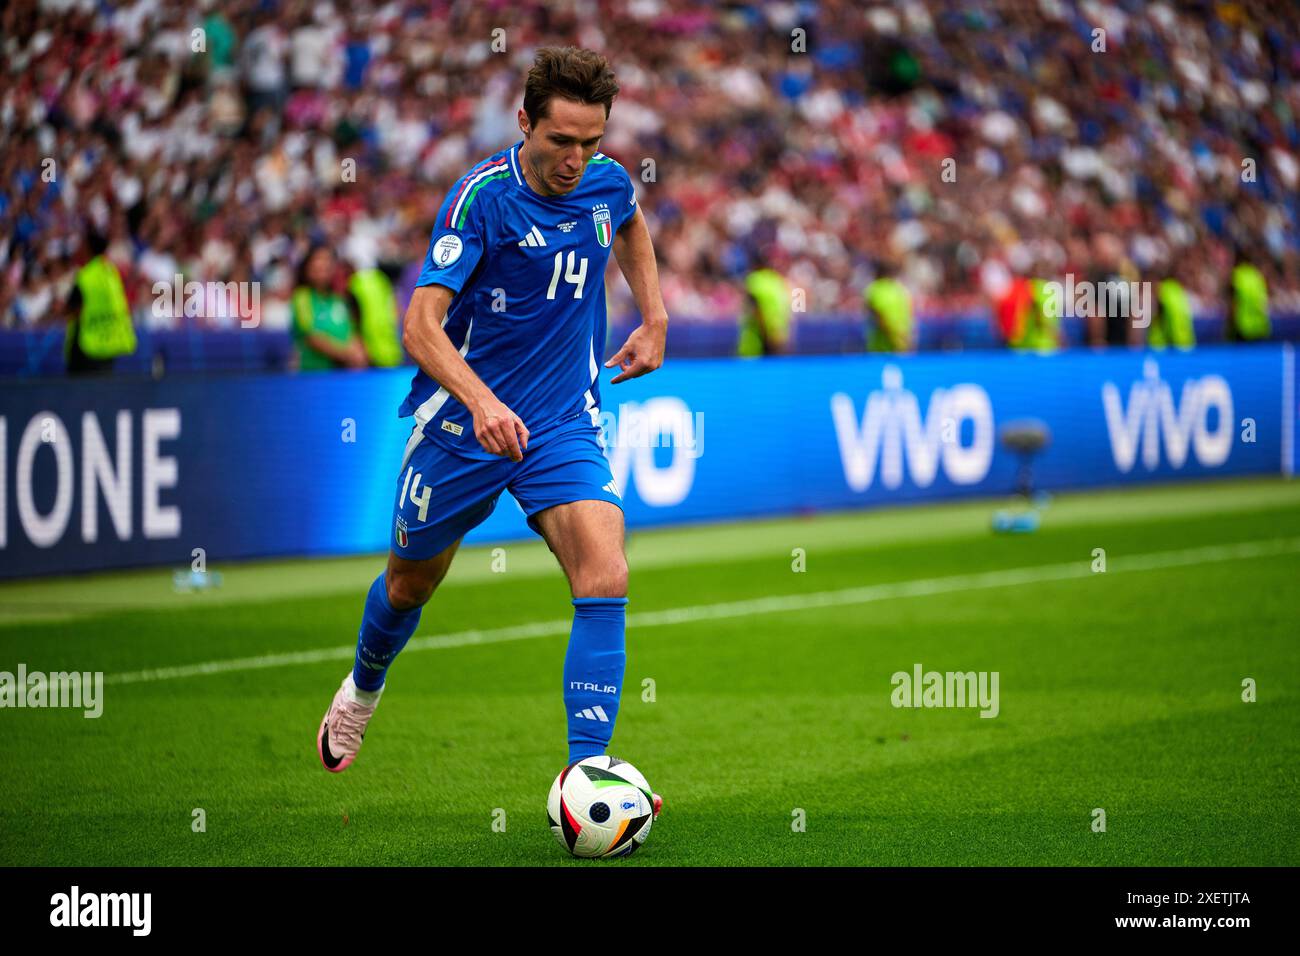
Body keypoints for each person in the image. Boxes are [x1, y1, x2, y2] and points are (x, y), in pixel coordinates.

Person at [315, 47, 667, 822]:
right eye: (560, 142)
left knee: (605, 573)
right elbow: (420, 325)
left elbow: (631, 225)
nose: (576, 160)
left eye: (591, 141)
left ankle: (588, 775)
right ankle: (364, 685)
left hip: (562, 419)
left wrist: (655, 315)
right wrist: (478, 401)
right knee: (410, 585)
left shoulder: (607, 182)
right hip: (463, 426)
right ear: (524, 123)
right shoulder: (481, 199)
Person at [65, 231, 137, 375]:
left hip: (86, 348)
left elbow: (73, 310)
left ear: (88, 249)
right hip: (109, 345)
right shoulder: (111, 273)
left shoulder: (85, 276)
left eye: (81, 245)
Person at [290, 244, 368, 370]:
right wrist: (347, 355)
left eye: (327, 260)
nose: (322, 265)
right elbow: (312, 337)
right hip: (312, 375)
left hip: (340, 375)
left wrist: (360, 352)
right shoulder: (302, 298)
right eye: (317, 259)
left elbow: (351, 332)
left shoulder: (338, 299)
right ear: (307, 266)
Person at [738, 249, 791, 356]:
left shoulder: (754, 280)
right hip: (778, 337)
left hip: (757, 342)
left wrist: (766, 337)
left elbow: (756, 310)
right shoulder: (777, 281)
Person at [863, 259, 913, 352]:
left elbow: (880, 316)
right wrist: (905, 338)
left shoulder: (875, 289)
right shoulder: (899, 289)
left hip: (883, 346)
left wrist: (894, 338)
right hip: (902, 342)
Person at [1226, 249, 1271, 342]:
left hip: (1243, 327)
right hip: (1260, 325)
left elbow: (1234, 303)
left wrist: (1230, 326)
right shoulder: (1258, 276)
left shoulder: (1237, 275)